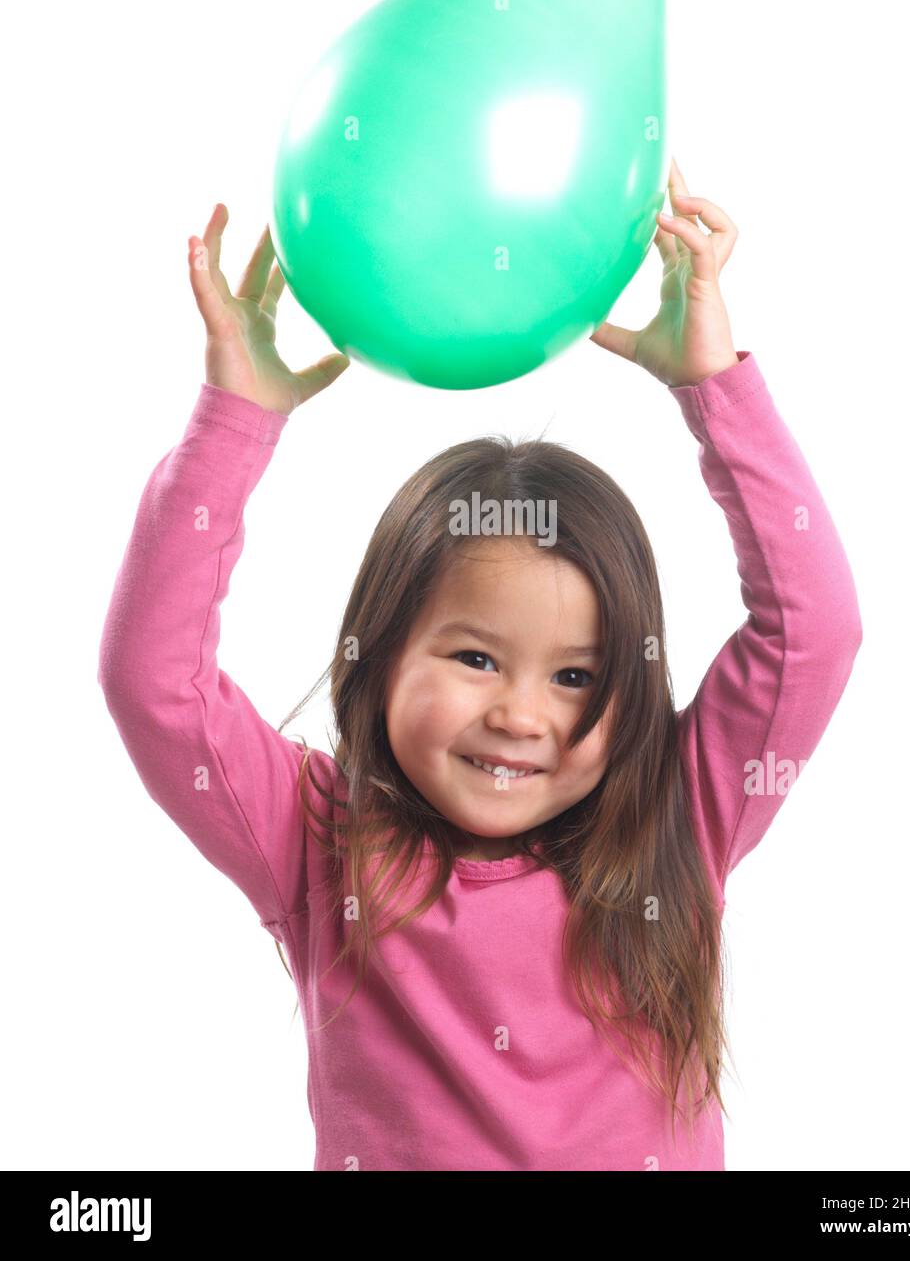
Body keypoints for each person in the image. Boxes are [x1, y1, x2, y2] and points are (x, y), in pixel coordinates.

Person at [97, 159, 862, 1170]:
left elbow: (813, 636)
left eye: (575, 676)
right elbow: (152, 680)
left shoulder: (680, 818)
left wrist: (715, 387)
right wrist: (238, 417)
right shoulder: (320, 844)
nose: (519, 715)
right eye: (474, 656)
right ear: (374, 659)